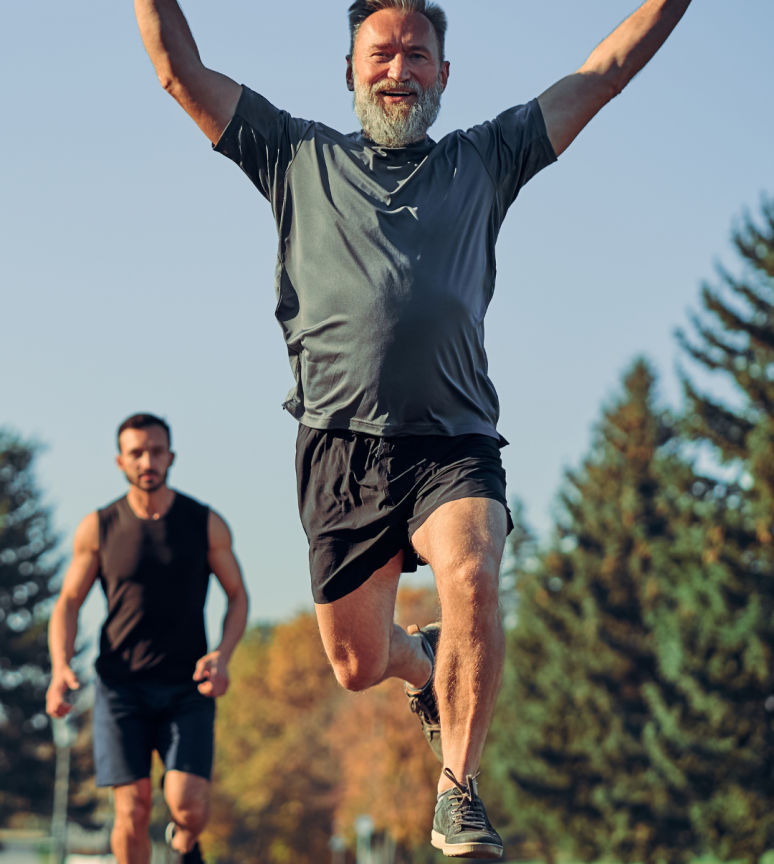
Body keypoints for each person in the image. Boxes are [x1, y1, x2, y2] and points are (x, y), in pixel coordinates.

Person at [132, 0, 692, 856]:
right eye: (382, 54)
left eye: (417, 55)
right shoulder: (293, 153)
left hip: (454, 438)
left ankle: (458, 792)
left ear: (443, 72)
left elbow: (603, 73)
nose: (400, 69)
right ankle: (422, 663)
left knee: (471, 571)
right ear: (351, 69)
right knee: (356, 665)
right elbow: (179, 71)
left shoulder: (487, 156)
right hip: (338, 445)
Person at [46, 414, 249, 864]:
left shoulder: (204, 523)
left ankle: (185, 842)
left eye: (156, 451)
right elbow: (67, 604)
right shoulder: (98, 527)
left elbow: (237, 596)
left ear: (170, 457)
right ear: (120, 461)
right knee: (131, 809)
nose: (147, 460)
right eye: (136, 452)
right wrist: (61, 667)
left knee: (188, 806)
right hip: (121, 688)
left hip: (187, 687)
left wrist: (223, 655)